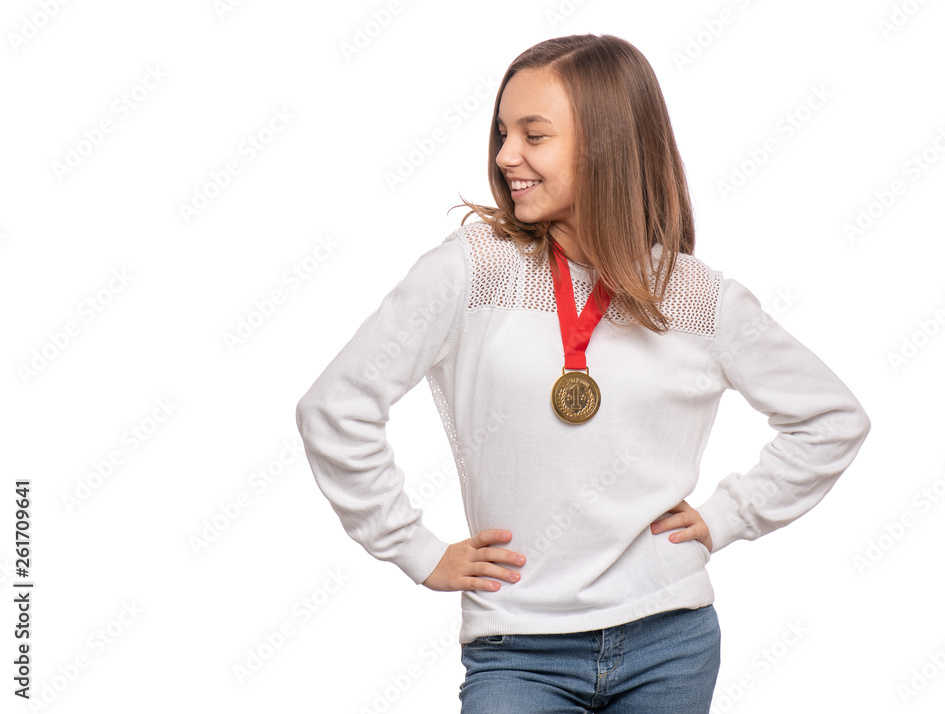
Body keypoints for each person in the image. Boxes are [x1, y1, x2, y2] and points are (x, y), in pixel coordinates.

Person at [295, 33, 871, 713]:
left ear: (606, 146)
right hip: (519, 649)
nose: (507, 156)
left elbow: (833, 419)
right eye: (503, 133)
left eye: (534, 136)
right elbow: (335, 406)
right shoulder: (473, 270)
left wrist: (730, 514)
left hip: (671, 641)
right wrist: (416, 550)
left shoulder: (695, 297)